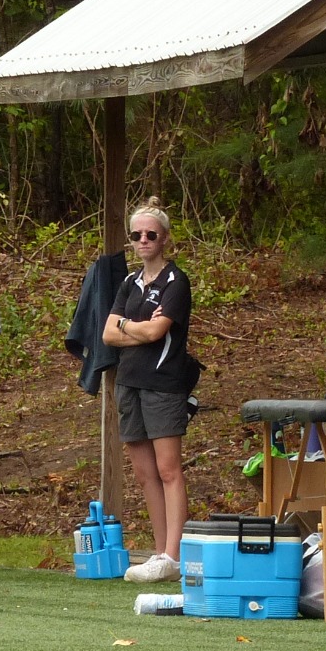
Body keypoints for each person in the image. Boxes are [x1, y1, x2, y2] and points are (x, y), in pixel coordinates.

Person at [105, 199, 198, 585]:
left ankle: (173, 554)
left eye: (150, 234)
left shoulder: (177, 281)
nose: (143, 240)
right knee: (145, 473)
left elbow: (158, 333)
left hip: (164, 384)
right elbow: (108, 333)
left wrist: (130, 327)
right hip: (129, 382)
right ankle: (159, 552)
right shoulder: (129, 282)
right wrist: (136, 325)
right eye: (136, 235)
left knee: (168, 469)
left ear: (164, 238)